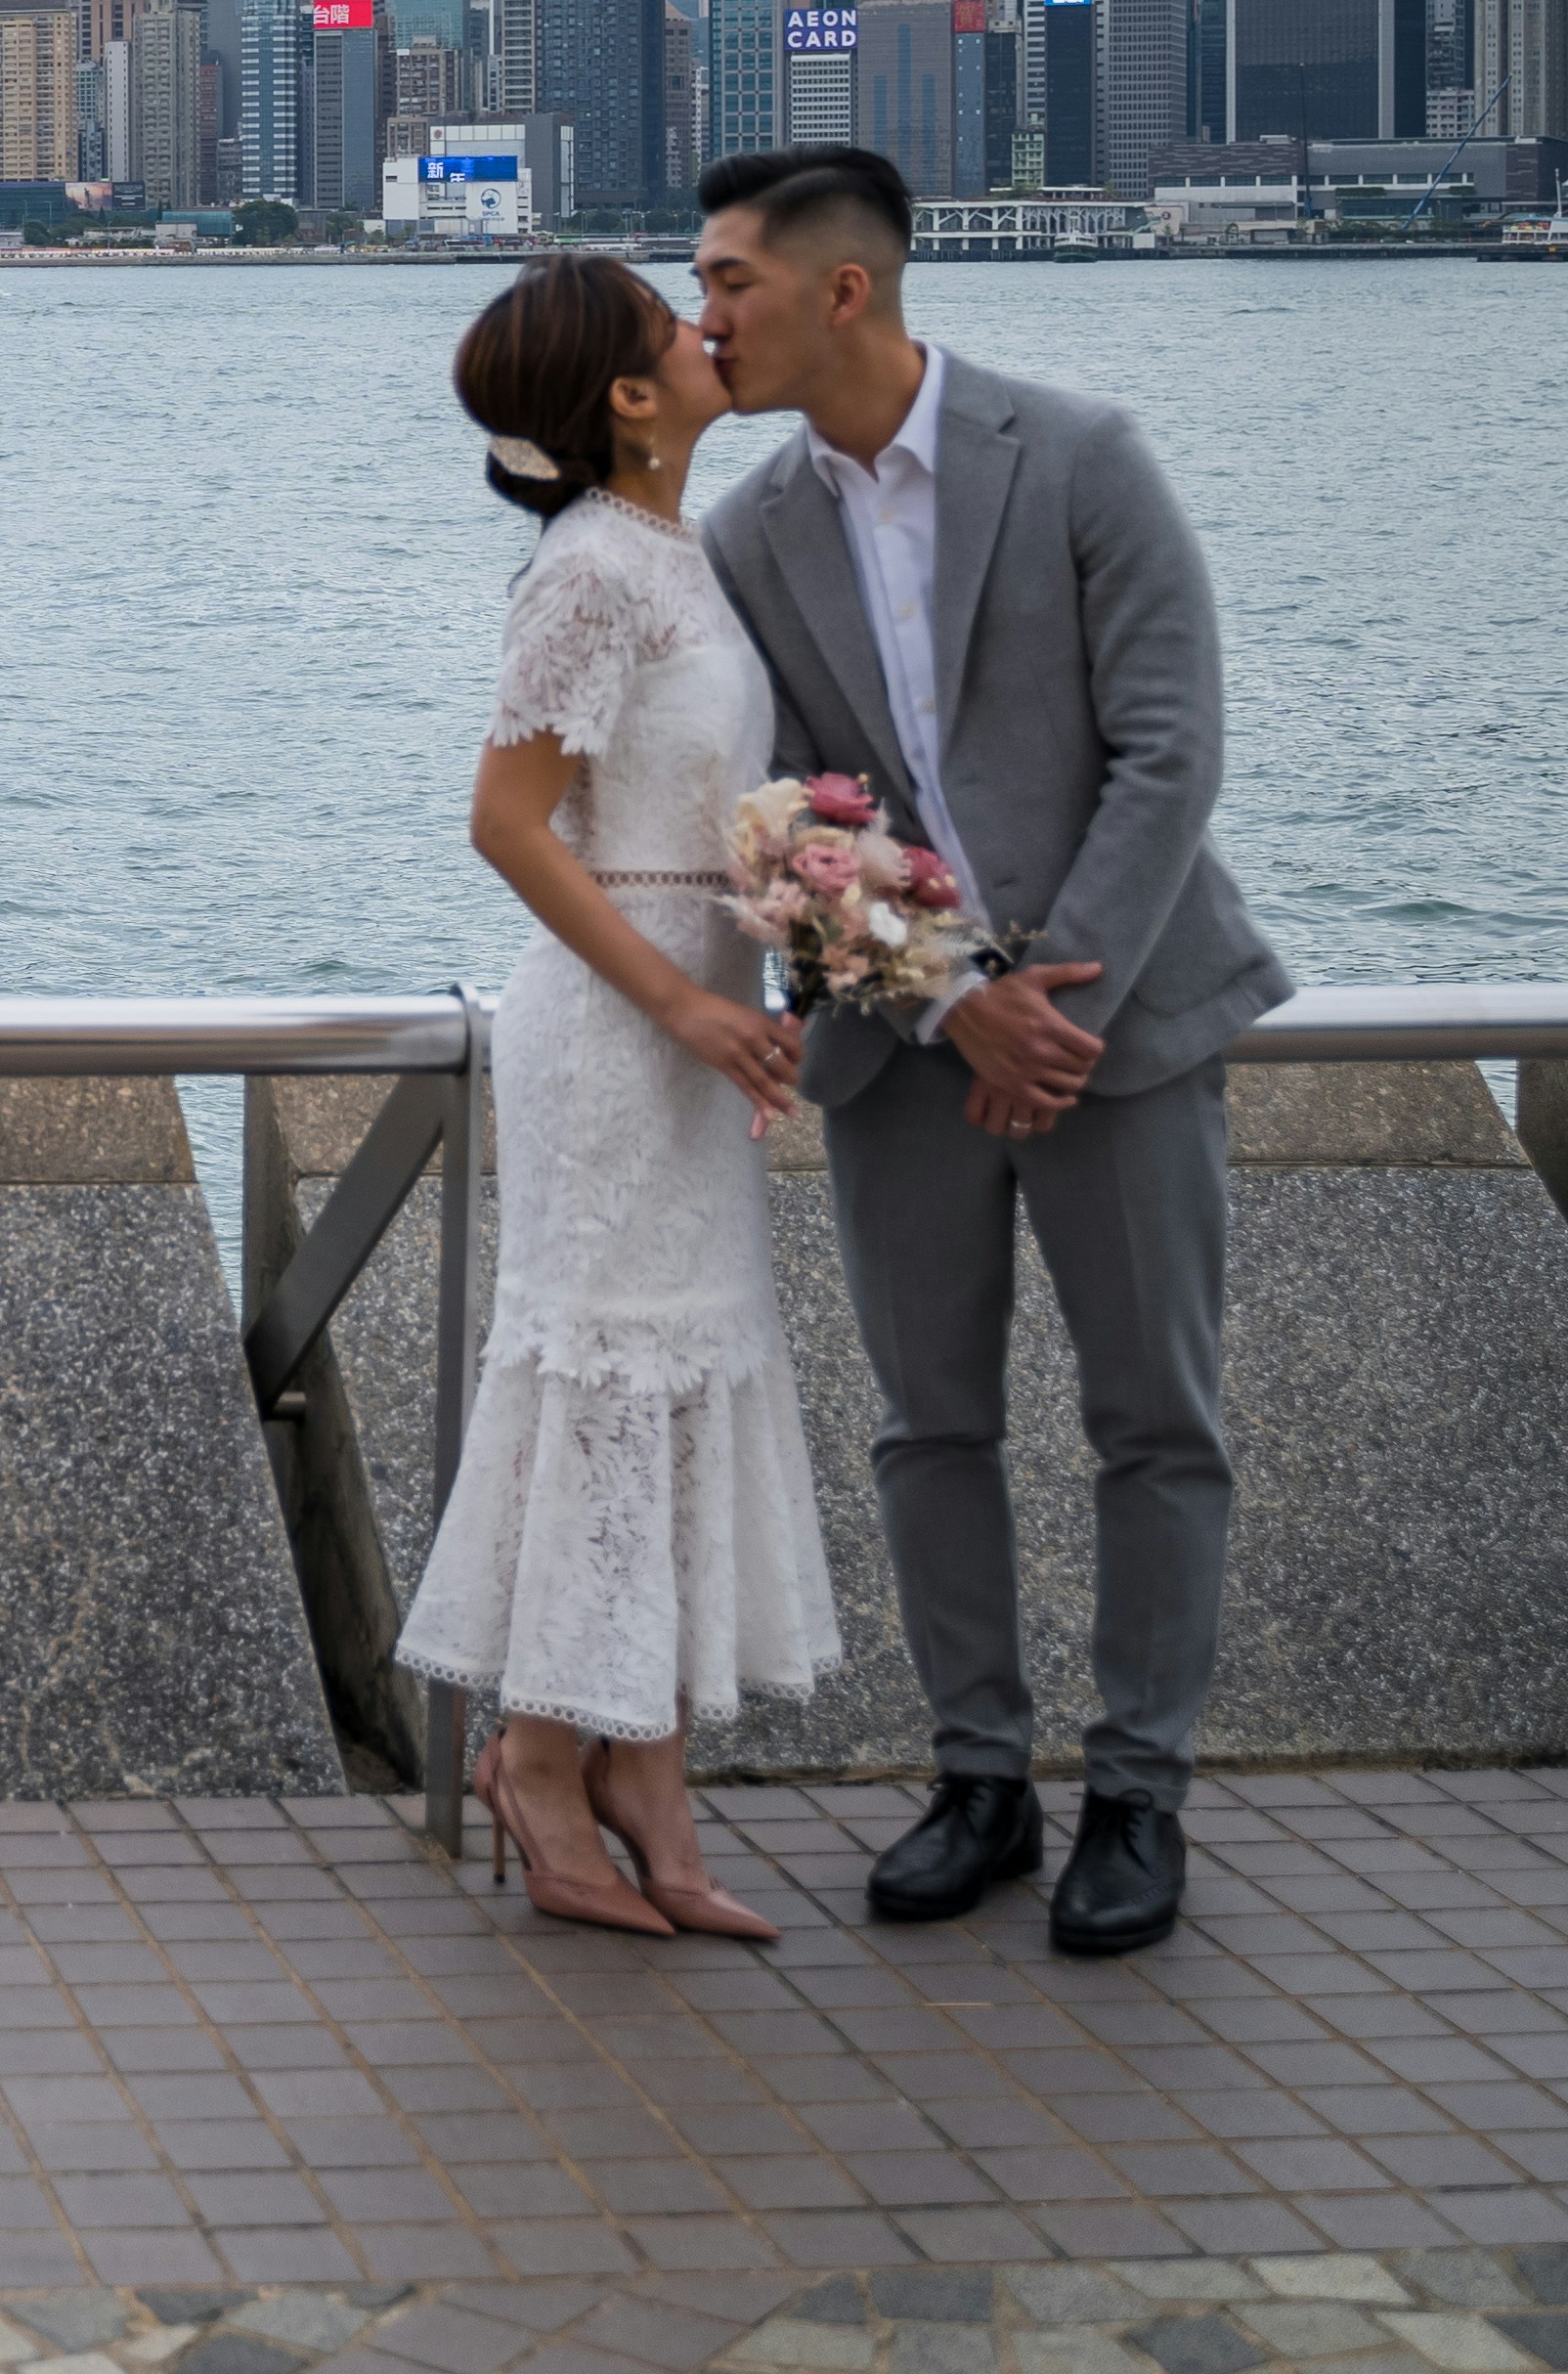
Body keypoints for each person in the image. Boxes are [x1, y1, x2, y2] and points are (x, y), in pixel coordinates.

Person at [687, 143, 1286, 1958]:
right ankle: (978, 1780)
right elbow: (781, 817)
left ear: (843, 289)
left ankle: (1140, 1796)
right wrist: (958, 999)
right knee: (927, 1423)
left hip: (1126, 1038)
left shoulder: (1080, 457)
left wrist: (1059, 1011)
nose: (702, 316)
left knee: (1153, 1420)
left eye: (730, 283)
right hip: (905, 1040)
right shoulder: (749, 533)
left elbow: (1171, 751)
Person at [390, 252, 841, 1942]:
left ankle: (639, 1764)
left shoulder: (684, 551)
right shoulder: (589, 571)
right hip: (615, 1029)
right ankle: (541, 1762)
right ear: (632, 401)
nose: (707, 326)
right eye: (674, 322)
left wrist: (807, 919)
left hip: (701, 1012)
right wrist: (675, 1001)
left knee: (671, 1378)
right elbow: (510, 821)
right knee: (603, 1376)